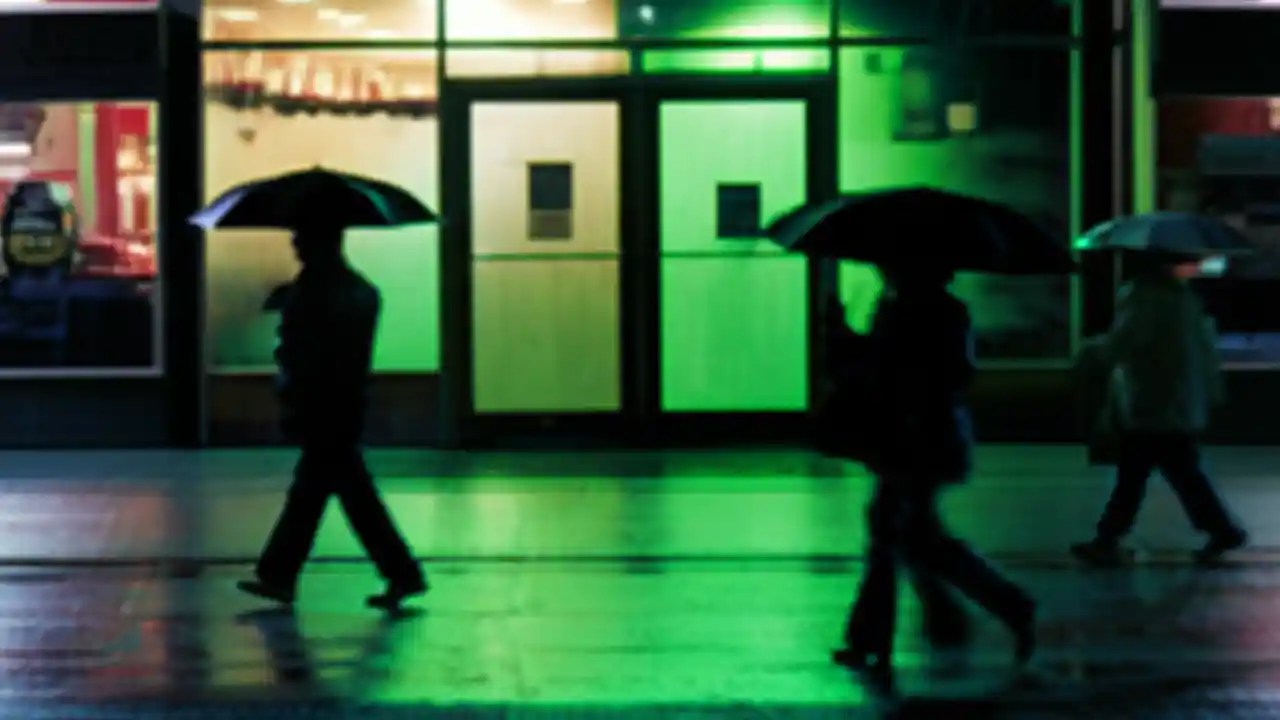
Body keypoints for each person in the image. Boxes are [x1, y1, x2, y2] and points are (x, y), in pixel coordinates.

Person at [825, 262, 1035, 676]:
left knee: (894, 534)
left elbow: (904, 371)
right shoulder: (926, 310)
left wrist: (852, 342)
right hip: (917, 437)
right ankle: (879, 635)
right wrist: (847, 336)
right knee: (909, 536)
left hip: (917, 438)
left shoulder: (923, 312)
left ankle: (875, 637)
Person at [237, 222, 427, 610]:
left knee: (328, 494)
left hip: (322, 405)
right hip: (343, 404)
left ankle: (283, 575)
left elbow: (303, 349)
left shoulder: (316, 291)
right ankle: (397, 573)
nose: (294, 244)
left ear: (318, 242)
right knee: (333, 494)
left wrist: (291, 325)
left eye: (300, 237)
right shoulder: (357, 290)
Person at [1071, 252, 1246, 566]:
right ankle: (1220, 529)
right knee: (1172, 472)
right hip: (1178, 401)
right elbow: (1205, 351)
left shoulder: (1145, 297)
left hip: (1152, 401)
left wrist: (1091, 350)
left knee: (1137, 474)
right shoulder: (1186, 299)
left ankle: (1108, 538)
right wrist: (1210, 393)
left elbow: (1126, 341)